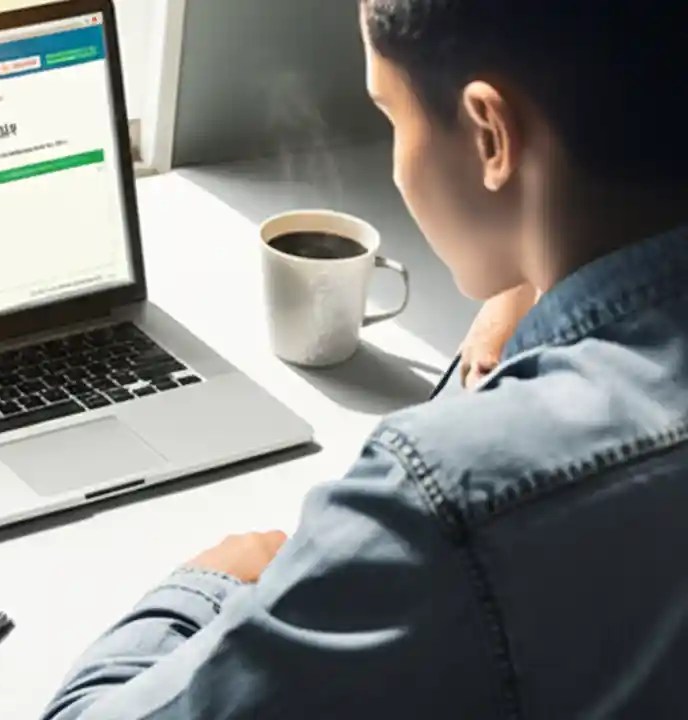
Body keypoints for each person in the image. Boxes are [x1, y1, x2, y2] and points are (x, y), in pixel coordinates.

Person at [44, 1, 688, 717]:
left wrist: (206, 588)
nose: (395, 158)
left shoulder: (449, 499)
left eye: (390, 115)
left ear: (490, 135)